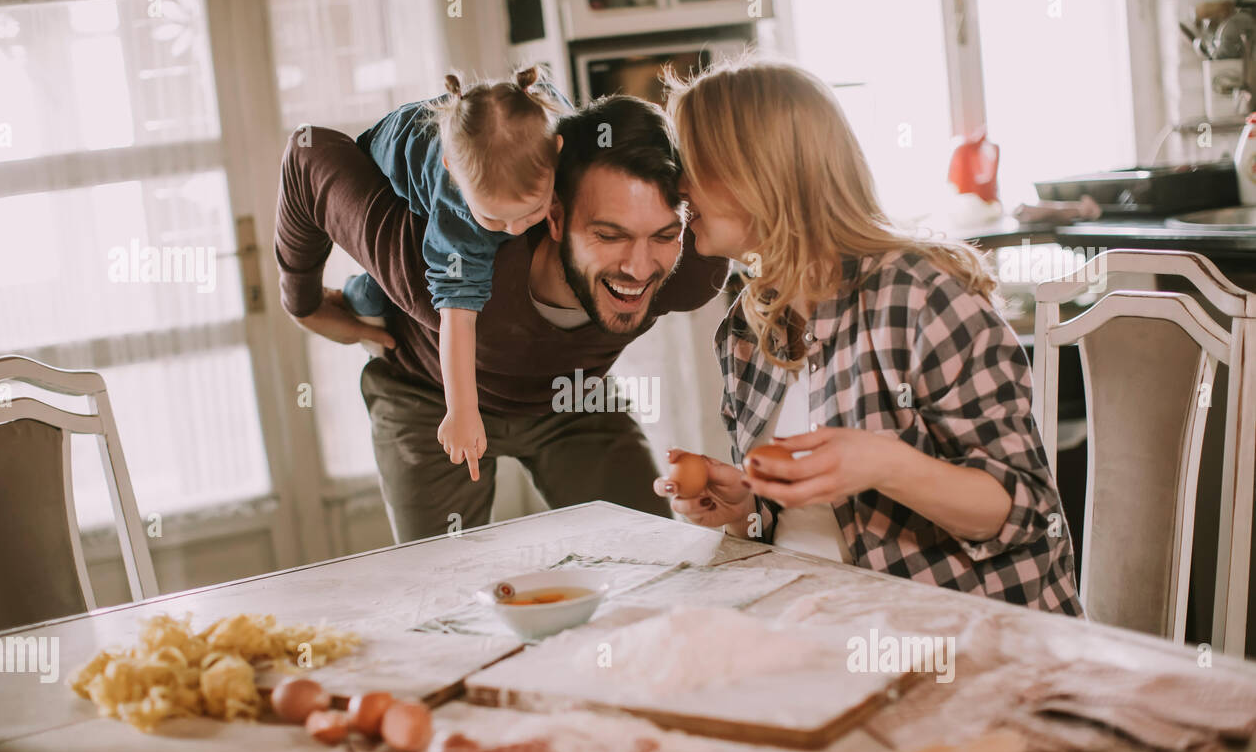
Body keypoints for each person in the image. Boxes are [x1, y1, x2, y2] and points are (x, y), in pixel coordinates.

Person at [655, 58, 1081, 616]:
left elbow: (1025, 512)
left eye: (694, 163)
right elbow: (807, 527)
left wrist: (885, 465)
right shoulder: (747, 324)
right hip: (820, 629)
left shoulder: (922, 297)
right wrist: (742, 506)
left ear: (759, 170)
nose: (679, 186)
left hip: (963, 640)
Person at [275, 95, 730, 543]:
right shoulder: (432, 263)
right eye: (609, 235)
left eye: (664, 235)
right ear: (554, 216)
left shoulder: (693, 268)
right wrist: (305, 305)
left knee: (651, 553)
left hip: (572, 396)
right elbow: (308, 151)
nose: (638, 267)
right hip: (430, 395)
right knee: (443, 591)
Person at [332, 67, 569, 480]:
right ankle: (358, 294)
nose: (515, 230)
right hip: (384, 160)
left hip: (458, 134)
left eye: (530, 211)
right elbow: (457, 316)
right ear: (453, 172)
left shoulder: (557, 126)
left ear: (558, 151)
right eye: (494, 219)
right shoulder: (456, 215)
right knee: (396, 276)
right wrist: (462, 410)